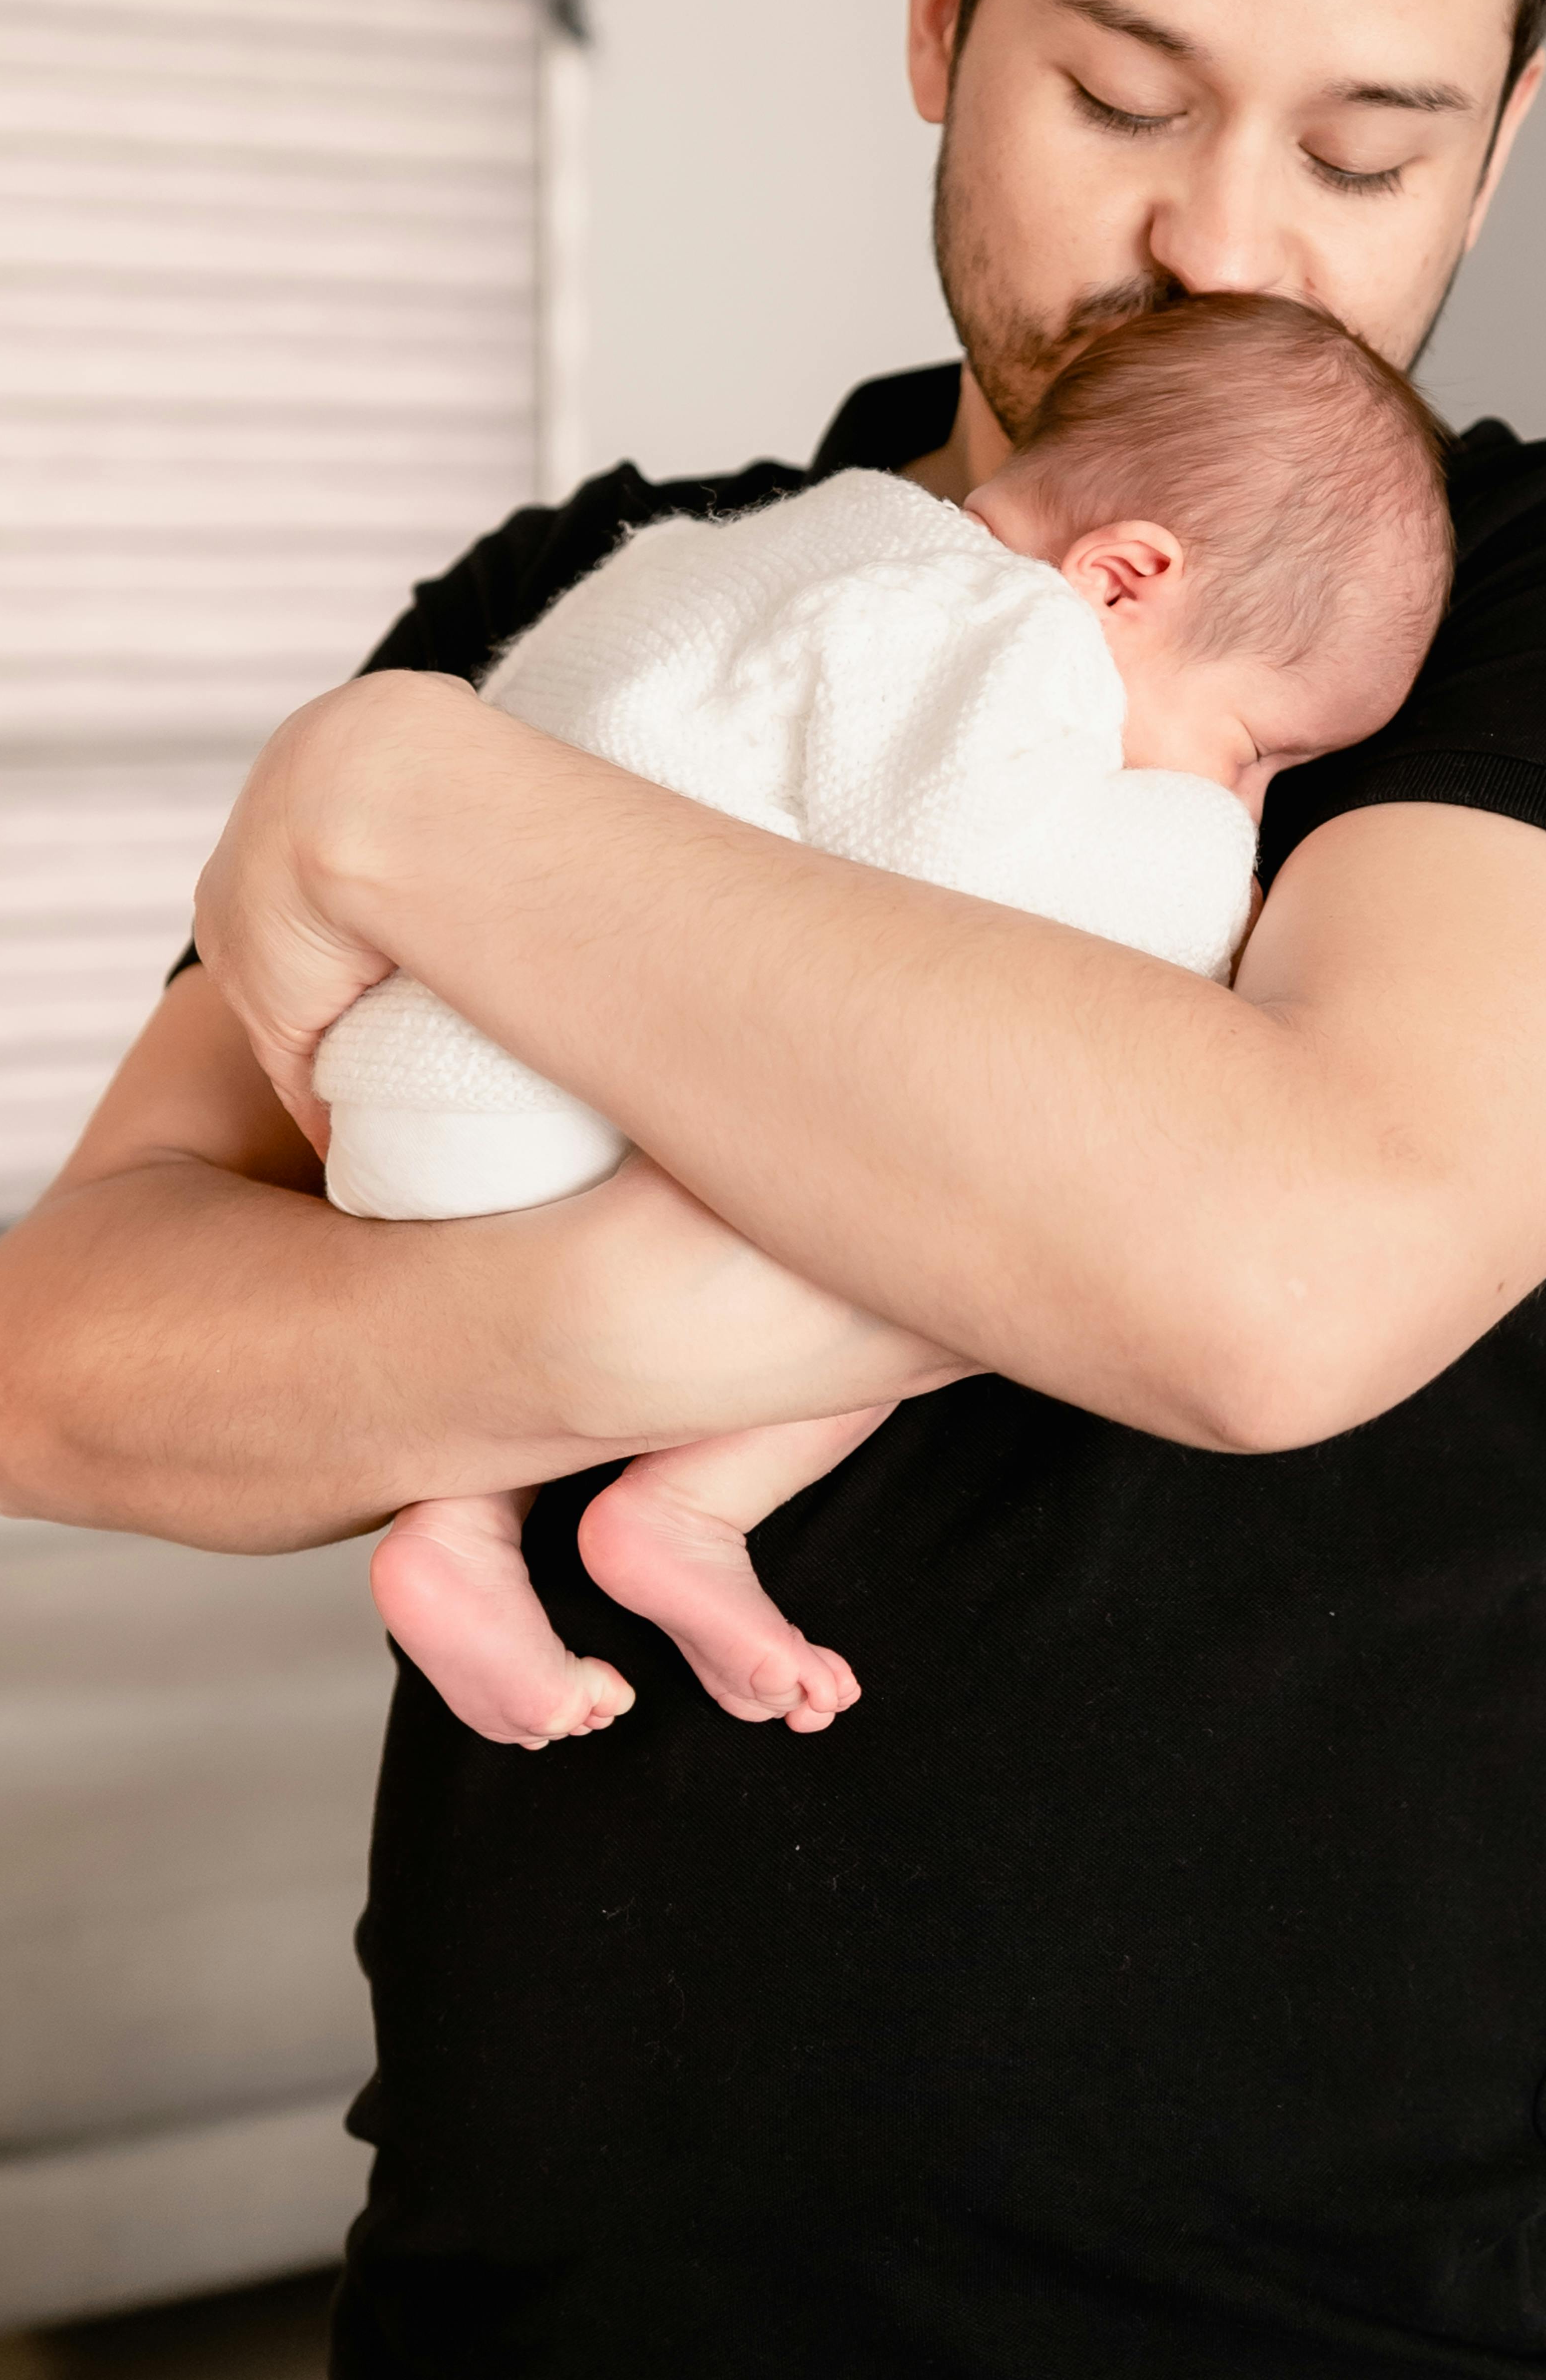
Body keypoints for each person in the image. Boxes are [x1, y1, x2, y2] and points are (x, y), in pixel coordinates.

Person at [0, 0, 1546, 2379]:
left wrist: (402, 803)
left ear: (1500, 135)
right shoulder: (618, 586)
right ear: (945, 7)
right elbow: (60, 1364)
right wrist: (662, 1296)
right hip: (508, 2296)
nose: (1229, 245)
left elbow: (1273, 1275)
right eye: (1124, 94)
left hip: (1291, 2330)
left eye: (1368, 148)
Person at [327, 295, 1452, 1754]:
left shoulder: (798, 541)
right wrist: (1209, 864)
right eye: (1253, 745)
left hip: (418, 1073)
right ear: (1122, 579)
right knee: (961, 1225)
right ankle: (687, 1509)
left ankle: (459, 1525)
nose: (1250, 790)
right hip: (545, 1098)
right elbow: (965, 905)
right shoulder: (1004, 635)